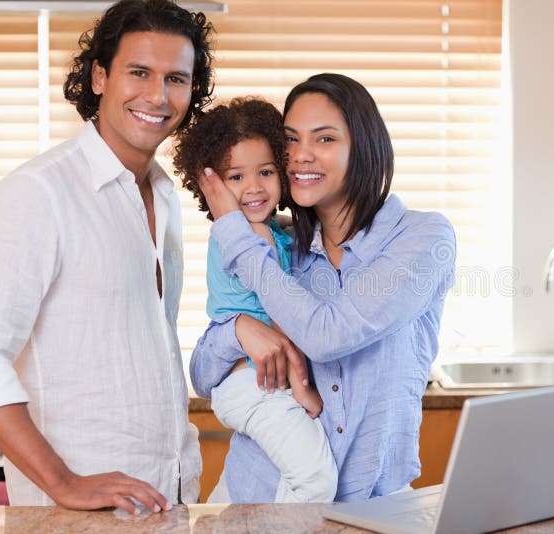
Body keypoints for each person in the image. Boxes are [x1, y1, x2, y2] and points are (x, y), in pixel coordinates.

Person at [0, 0, 214, 513]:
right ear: (100, 76)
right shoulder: (37, 194)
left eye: (177, 78)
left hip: (168, 498)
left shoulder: (166, 195)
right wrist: (64, 483)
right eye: (139, 72)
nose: (158, 95)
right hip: (73, 514)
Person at [190, 73, 456, 502]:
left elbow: (328, 335)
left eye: (326, 139)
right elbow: (203, 374)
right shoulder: (279, 246)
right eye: (291, 140)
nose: (301, 156)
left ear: (364, 148)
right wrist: (240, 329)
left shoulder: (421, 239)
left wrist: (233, 230)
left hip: (373, 508)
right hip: (253, 499)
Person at [173, 97, 337, 503]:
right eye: (235, 177)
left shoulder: (266, 231)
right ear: (211, 187)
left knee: (263, 483)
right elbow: (283, 320)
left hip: (244, 381)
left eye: (265, 171)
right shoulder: (253, 238)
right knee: (314, 479)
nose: (253, 187)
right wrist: (302, 391)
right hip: (254, 382)